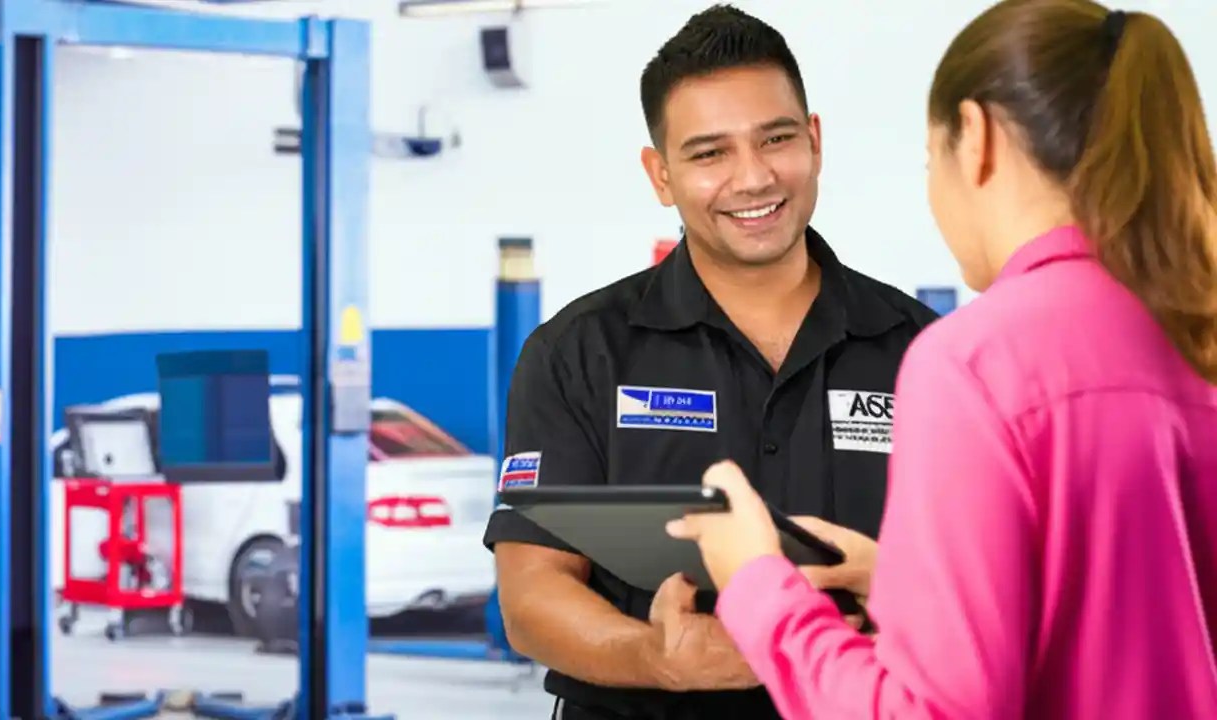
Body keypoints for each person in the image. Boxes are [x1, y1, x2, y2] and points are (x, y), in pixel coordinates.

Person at [667, 2, 1217, 719]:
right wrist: (900, 579)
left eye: (932, 159)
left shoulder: (973, 364)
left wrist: (754, 582)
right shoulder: (1194, 336)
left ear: (978, 138)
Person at [481, 5, 939, 719]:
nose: (752, 177)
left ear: (814, 141)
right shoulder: (579, 353)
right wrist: (654, 659)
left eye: (776, 139)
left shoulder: (925, 353)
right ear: (660, 174)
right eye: (709, 153)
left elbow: (983, 588)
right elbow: (531, 593)